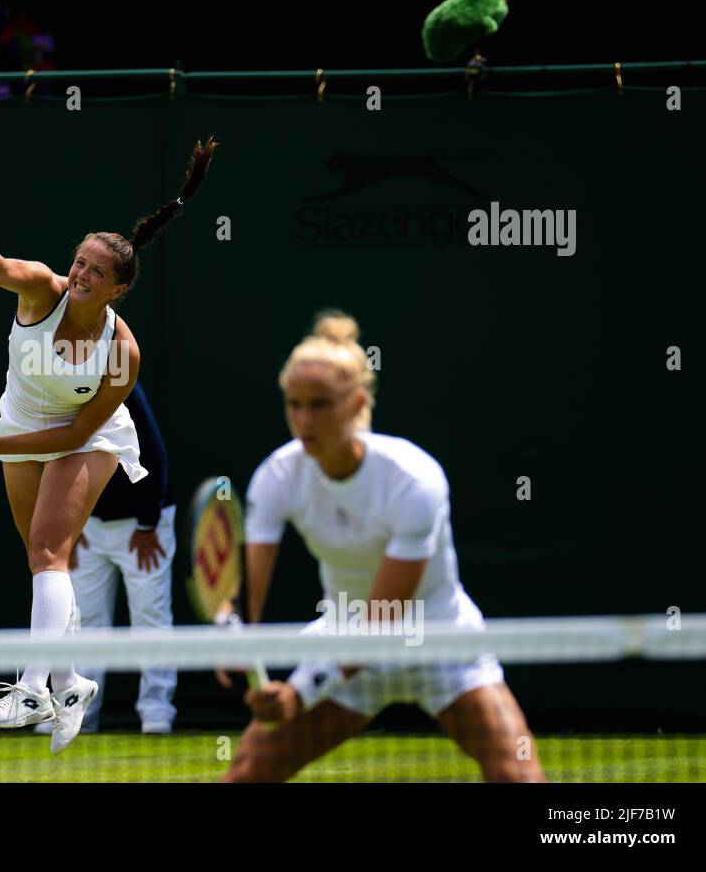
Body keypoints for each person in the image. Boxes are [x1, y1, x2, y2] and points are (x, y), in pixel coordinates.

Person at [0, 136, 217, 754]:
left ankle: (31, 688)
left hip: (85, 436)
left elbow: (78, 433)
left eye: (96, 272)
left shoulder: (123, 354)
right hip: (18, 424)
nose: (79, 274)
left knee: (50, 550)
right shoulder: (40, 290)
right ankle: (72, 681)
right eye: (79, 262)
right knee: (42, 560)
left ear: (116, 291)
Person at [223, 310, 546, 782]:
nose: (303, 419)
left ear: (356, 404)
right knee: (246, 775)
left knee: (519, 776)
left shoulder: (413, 479)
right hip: (342, 637)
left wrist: (301, 690)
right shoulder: (278, 475)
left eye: (319, 404)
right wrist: (229, 635)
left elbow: (384, 618)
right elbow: (246, 596)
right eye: (294, 404)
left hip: (439, 640)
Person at [34, 383, 177, 736]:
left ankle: (156, 711)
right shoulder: (52, 394)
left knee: (150, 617)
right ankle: (81, 713)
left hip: (146, 526)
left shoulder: (120, 386)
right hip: (91, 526)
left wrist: (147, 525)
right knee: (85, 621)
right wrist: (72, 525)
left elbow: (154, 455)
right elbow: (55, 461)